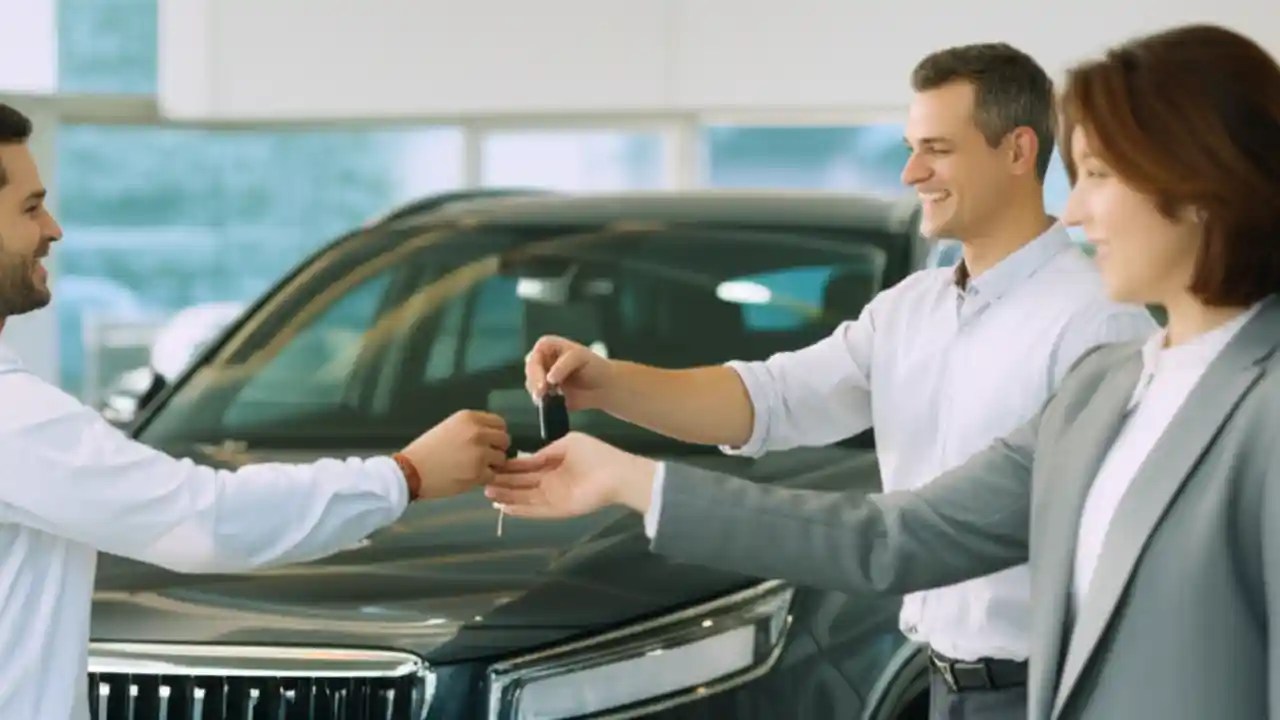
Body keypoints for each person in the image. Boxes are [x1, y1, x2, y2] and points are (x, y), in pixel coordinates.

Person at [489, 23, 1280, 720]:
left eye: (1101, 175)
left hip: (1025, 680)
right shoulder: (1097, 380)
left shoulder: (1122, 342)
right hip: (952, 685)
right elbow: (872, 516)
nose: (1075, 211)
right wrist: (619, 430)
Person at [0, 103, 511, 720]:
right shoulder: (15, 420)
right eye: (30, 208)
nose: (52, 229)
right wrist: (405, 475)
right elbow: (205, 519)